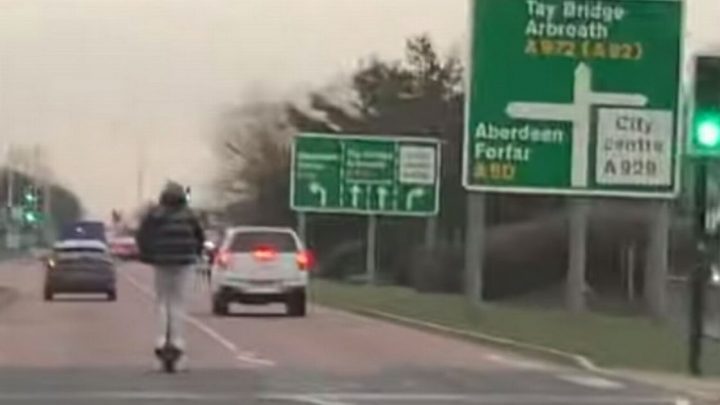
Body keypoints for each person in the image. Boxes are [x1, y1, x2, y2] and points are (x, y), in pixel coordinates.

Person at [136, 181, 205, 369]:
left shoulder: (154, 215)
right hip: (184, 262)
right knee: (178, 303)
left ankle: (160, 339)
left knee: (162, 302)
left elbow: (142, 236)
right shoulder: (190, 216)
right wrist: (195, 254)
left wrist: (147, 255)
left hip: (162, 261)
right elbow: (200, 237)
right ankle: (177, 341)